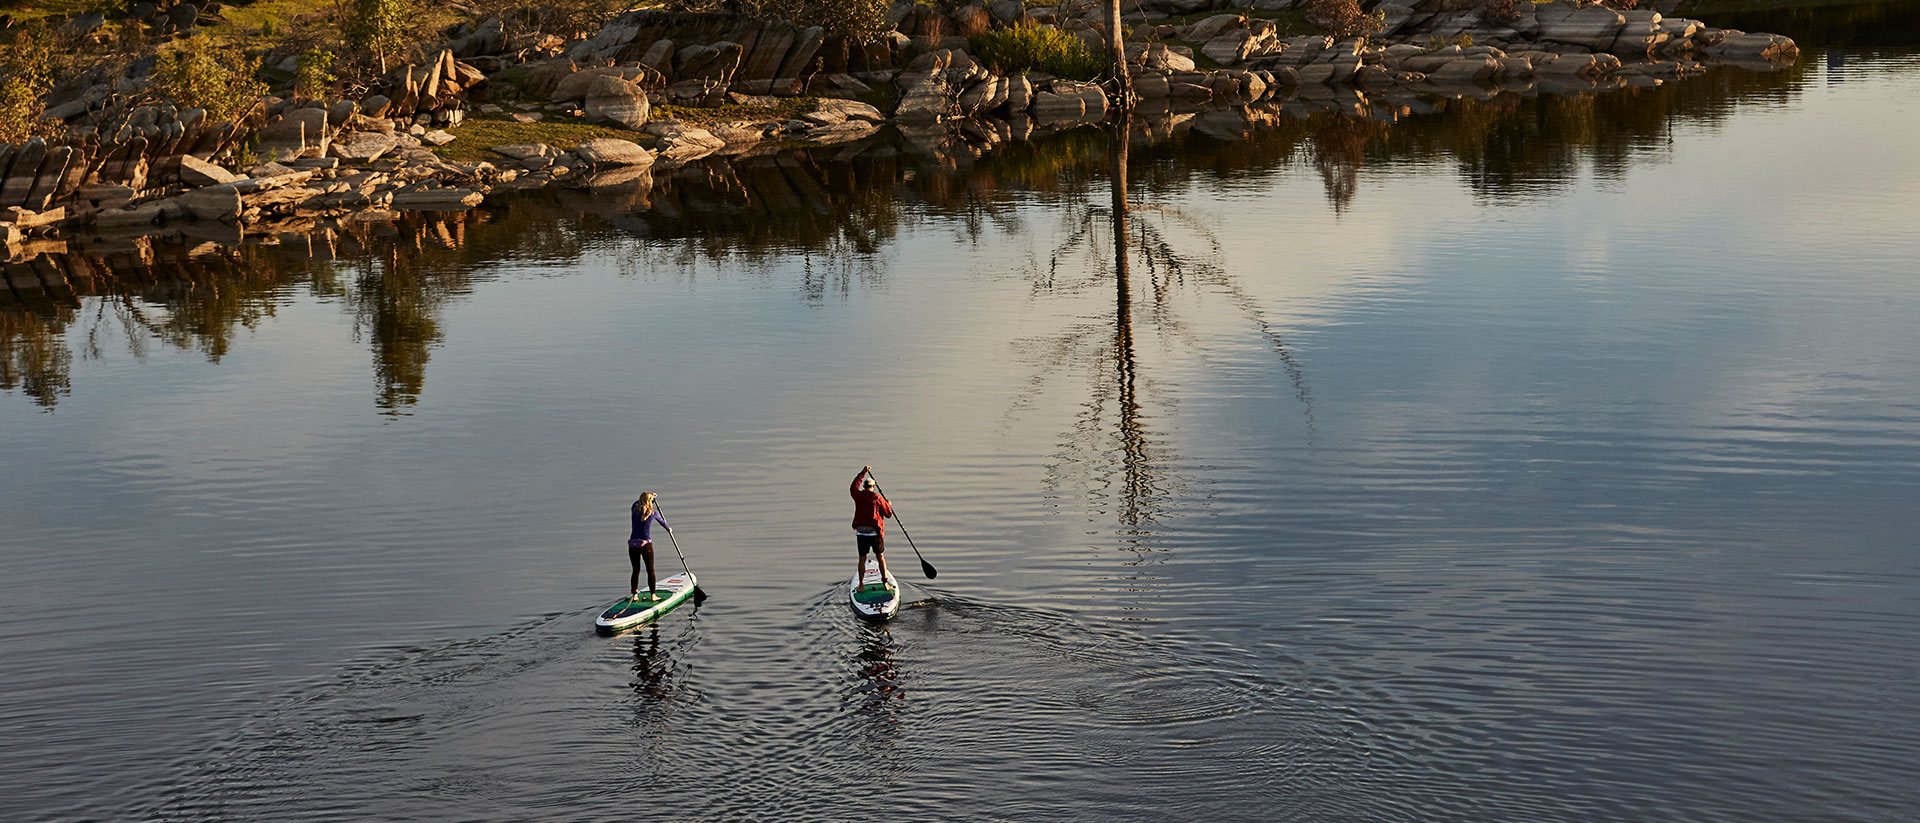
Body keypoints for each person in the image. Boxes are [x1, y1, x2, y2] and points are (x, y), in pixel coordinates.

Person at [850, 466, 895, 591]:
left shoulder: (857, 496)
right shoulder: (878, 498)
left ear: (864, 486)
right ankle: (885, 583)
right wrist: (888, 504)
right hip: (875, 533)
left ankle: (861, 585)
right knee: (880, 556)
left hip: (861, 532)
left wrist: (863, 472)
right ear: (873, 487)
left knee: (862, 558)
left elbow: (853, 486)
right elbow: (888, 514)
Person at [628, 492, 670, 600]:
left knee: (635, 570)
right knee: (650, 570)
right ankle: (653, 595)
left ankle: (635, 595)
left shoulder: (634, 509)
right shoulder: (653, 513)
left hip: (632, 545)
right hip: (645, 545)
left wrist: (649, 497)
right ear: (649, 501)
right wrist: (668, 529)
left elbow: (637, 503)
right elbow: (663, 522)